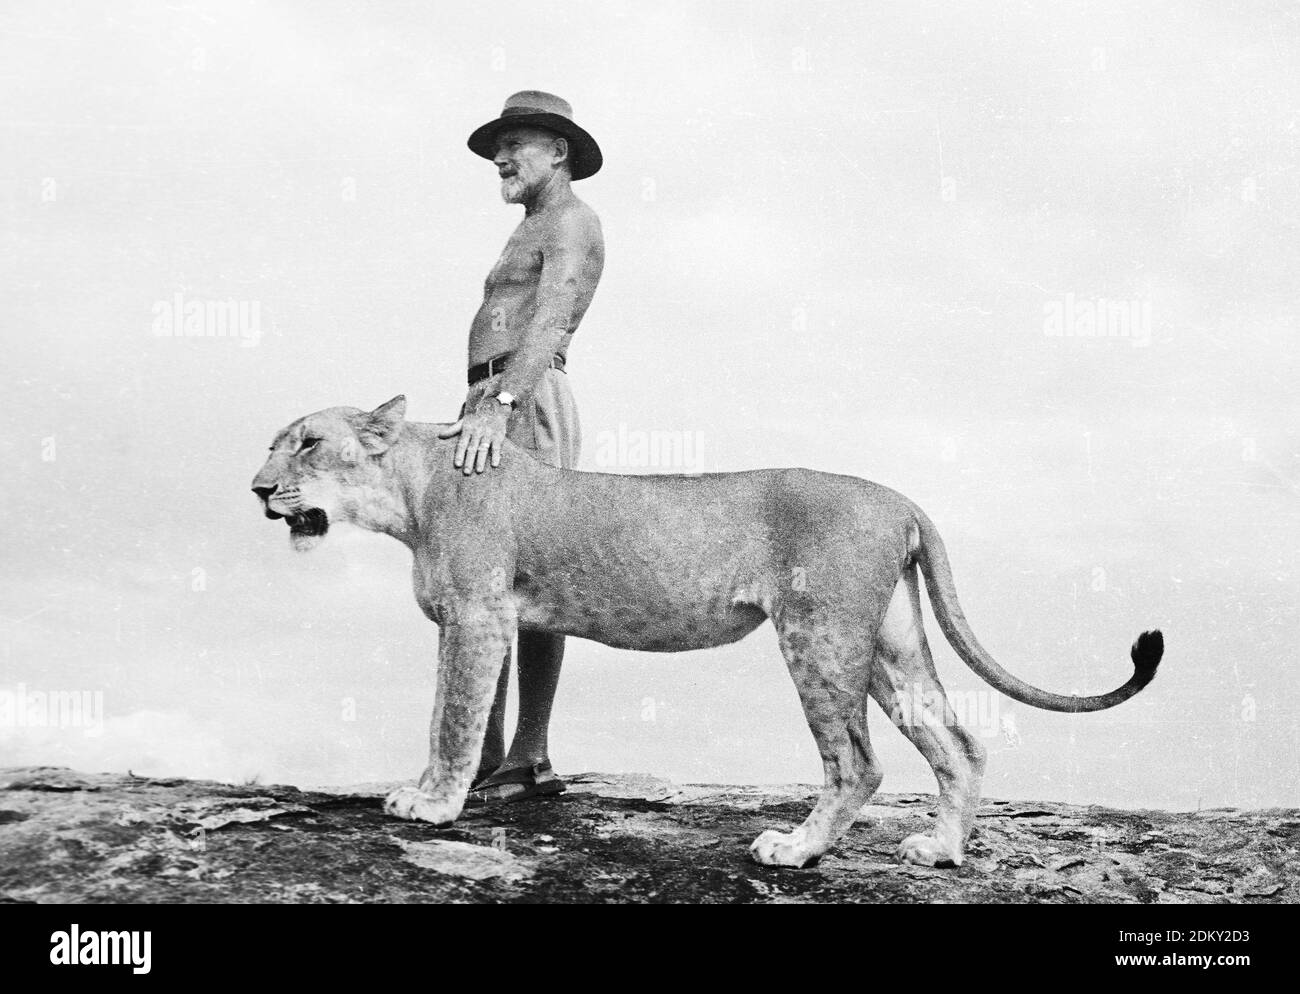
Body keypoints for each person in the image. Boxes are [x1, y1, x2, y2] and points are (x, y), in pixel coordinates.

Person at [439, 90, 605, 804]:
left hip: (523, 399)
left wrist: (504, 403)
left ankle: (529, 757)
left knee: (533, 576)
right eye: (496, 148)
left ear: (558, 151)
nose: (501, 158)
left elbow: (555, 315)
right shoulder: (534, 222)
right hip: (492, 400)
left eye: (516, 145)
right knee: (485, 579)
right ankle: (489, 753)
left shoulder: (572, 219)